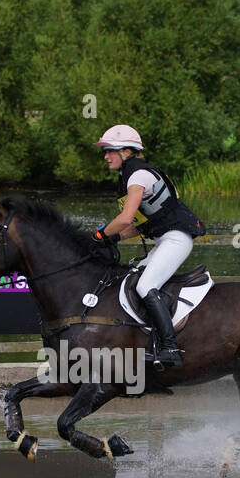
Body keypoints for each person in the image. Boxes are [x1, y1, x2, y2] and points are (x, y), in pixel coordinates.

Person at [92, 125, 205, 369]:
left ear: (127, 151)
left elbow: (124, 218)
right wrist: (113, 239)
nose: (106, 156)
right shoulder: (128, 176)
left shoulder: (138, 176)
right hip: (165, 238)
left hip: (176, 238)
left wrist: (99, 235)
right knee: (133, 279)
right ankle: (148, 339)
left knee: (145, 285)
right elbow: (138, 225)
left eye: (110, 150)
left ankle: (171, 348)